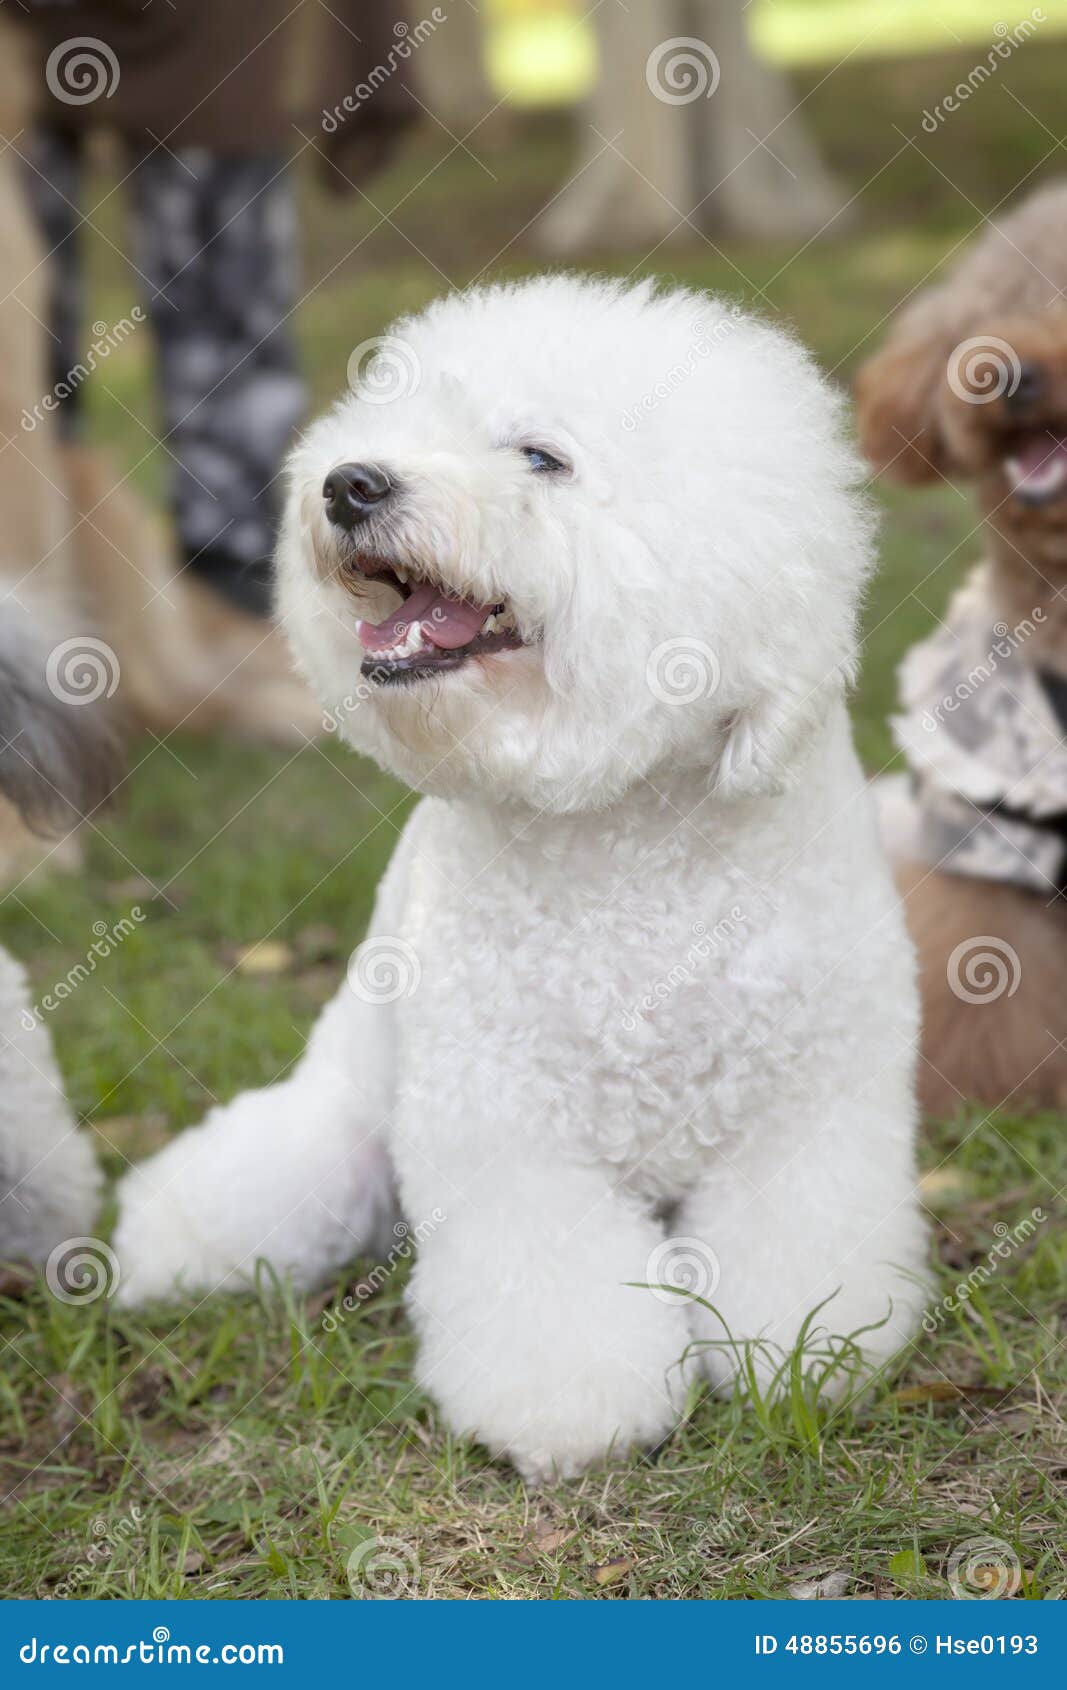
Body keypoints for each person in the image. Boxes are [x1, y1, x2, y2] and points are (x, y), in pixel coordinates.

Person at [15, 2, 416, 732]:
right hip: (22, 38)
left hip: (215, 31)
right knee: (23, 375)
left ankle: (239, 605)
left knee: (227, 337)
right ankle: (41, 631)